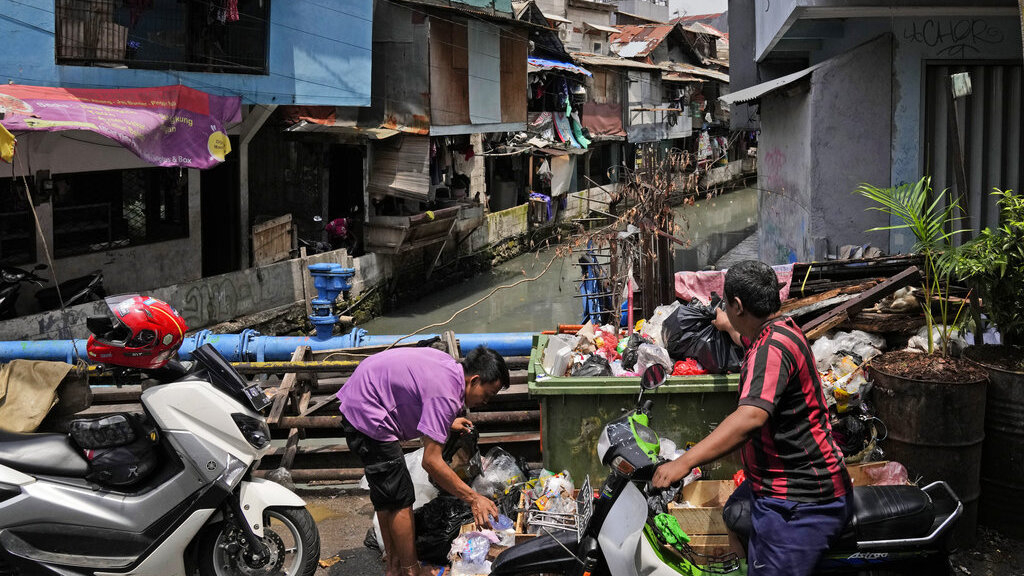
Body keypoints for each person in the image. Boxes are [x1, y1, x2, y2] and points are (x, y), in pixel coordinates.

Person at [653, 260, 851, 576]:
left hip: (800, 498)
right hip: (779, 484)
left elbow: (750, 417)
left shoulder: (771, 349)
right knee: (734, 513)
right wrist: (728, 325)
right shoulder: (778, 330)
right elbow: (746, 338)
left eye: (728, 306)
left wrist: (684, 462)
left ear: (739, 305)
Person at [338, 345, 510, 576]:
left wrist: (445, 422)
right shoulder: (446, 395)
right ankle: (411, 571)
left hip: (363, 395)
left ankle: (393, 566)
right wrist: (473, 498)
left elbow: (418, 393)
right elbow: (431, 462)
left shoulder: (450, 370)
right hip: (368, 412)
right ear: (475, 380)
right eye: (487, 395)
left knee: (387, 495)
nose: (485, 402)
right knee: (400, 499)